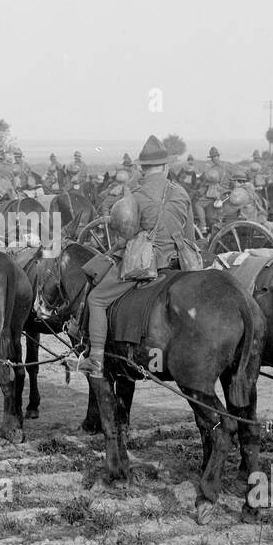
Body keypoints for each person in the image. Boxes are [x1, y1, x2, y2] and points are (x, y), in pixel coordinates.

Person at [79, 136, 193, 374]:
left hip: (149, 263)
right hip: (181, 260)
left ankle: (96, 358)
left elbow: (125, 238)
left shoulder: (136, 196)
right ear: (166, 166)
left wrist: (112, 253)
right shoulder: (181, 192)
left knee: (96, 300)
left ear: (142, 168)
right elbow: (190, 234)